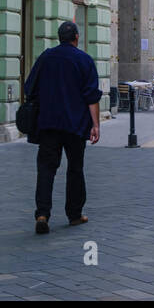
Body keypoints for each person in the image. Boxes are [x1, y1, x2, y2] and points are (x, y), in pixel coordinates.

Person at [24, 20, 102, 234]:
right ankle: (75, 214)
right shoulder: (84, 60)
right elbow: (91, 96)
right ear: (76, 37)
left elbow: (29, 87)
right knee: (75, 168)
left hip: (48, 123)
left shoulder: (46, 57)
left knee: (46, 169)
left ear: (60, 38)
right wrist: (95, 125)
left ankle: (42, 214)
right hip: (75, 125)